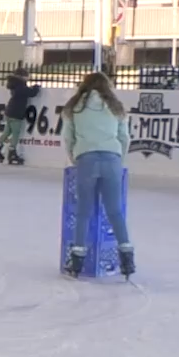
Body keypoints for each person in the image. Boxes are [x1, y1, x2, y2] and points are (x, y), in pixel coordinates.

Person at [61, 73, 135, 279]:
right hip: (112, 158)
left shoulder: (75, 106)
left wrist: (74, 157)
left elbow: (68, 137)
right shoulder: (115, 106)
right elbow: (124, 137)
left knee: (84, 211)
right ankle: (127, 258)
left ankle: (77, 260)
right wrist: (120, 159)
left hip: (86, 157)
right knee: (115, 211)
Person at [0, 69, 40, 165]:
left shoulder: (14, 85)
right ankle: (12, 152)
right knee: (15, 133)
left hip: (10, 111)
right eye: (27, 76)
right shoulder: (20, 86)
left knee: (7, 132)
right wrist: (36, 87)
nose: (28, 78)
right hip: (16, 113)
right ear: (22, 76)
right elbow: (32, 93)